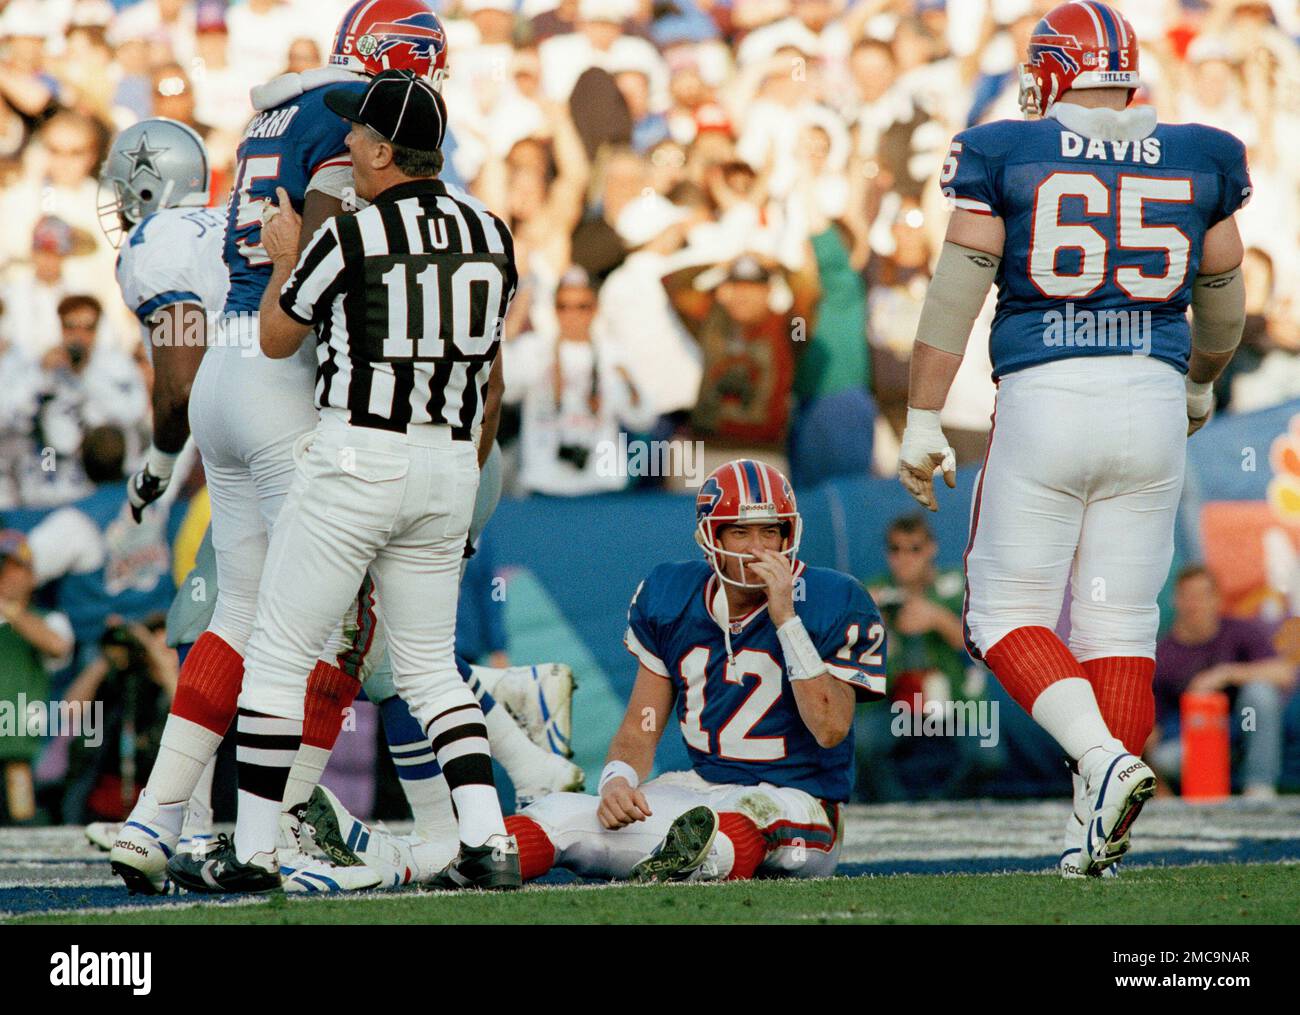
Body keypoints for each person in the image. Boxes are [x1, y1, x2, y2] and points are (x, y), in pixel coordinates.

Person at [108, 0, 457, 896]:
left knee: (239, 612)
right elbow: (333, 234)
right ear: (394, 59)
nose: (422, 99)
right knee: (333, 623)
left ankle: (155, 816)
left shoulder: (276, 108)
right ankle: (286, 822)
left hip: (225, 376)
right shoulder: (350, 111)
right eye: (422, 71)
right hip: (282, 371)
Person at [896, 2, 1251, 879]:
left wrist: (920, 415)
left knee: (1002, 611)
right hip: (1155, 396)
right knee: (1120, 620)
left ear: (1055, 70)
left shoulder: (1005, 151)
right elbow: (1226, 302)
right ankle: (1098, 828)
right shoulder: (1201, 152)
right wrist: (1202, 379)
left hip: (1048, 396)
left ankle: (1102, 761)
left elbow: (954, 296)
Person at [168, 68, 520, 894]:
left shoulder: (350, 236)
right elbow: (493, 375)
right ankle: (489, 837)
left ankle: (254, 847)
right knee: (432, 668)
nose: (350, 145)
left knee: (281, 654)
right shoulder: (493, 231)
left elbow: (280, 337)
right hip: (447, 461)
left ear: (388, 151)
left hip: (358, 456)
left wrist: (291, 260)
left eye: (361, 134)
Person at [476, 459, 883, 884]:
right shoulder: (672, 597)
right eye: (740, 532)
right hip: (702, 789)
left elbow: (830, 727)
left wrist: (786, 620)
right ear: (711, 537)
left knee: (749, 819)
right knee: (562, 813)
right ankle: (479, 861)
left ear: (789, 534)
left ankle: (694, 862)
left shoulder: (832, 598)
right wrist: (617, 781)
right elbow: (641, 725)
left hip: (801, 802)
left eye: (770, 531)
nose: (757, 548)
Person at [1149, 567, 1295, 799]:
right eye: (1188, 596)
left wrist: (1226, 673)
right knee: (1165, 757)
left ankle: (1259, 788)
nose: (1194, 604)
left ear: (1216, 599)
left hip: (1245, 732)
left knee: (1260, 692)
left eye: (1202, 595)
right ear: (1176, 600)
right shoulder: (1163, 654)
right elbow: (1152, 727)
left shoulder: (1241, 632)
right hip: (1196, 744)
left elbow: (1284, 674)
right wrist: (1155, 779)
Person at [0, 530, 73, 824]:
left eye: (15, 567)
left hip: (18, 753)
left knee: (22, 831)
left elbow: (57, 645)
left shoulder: (48, 619)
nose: (6, 575)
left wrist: (10, 610)